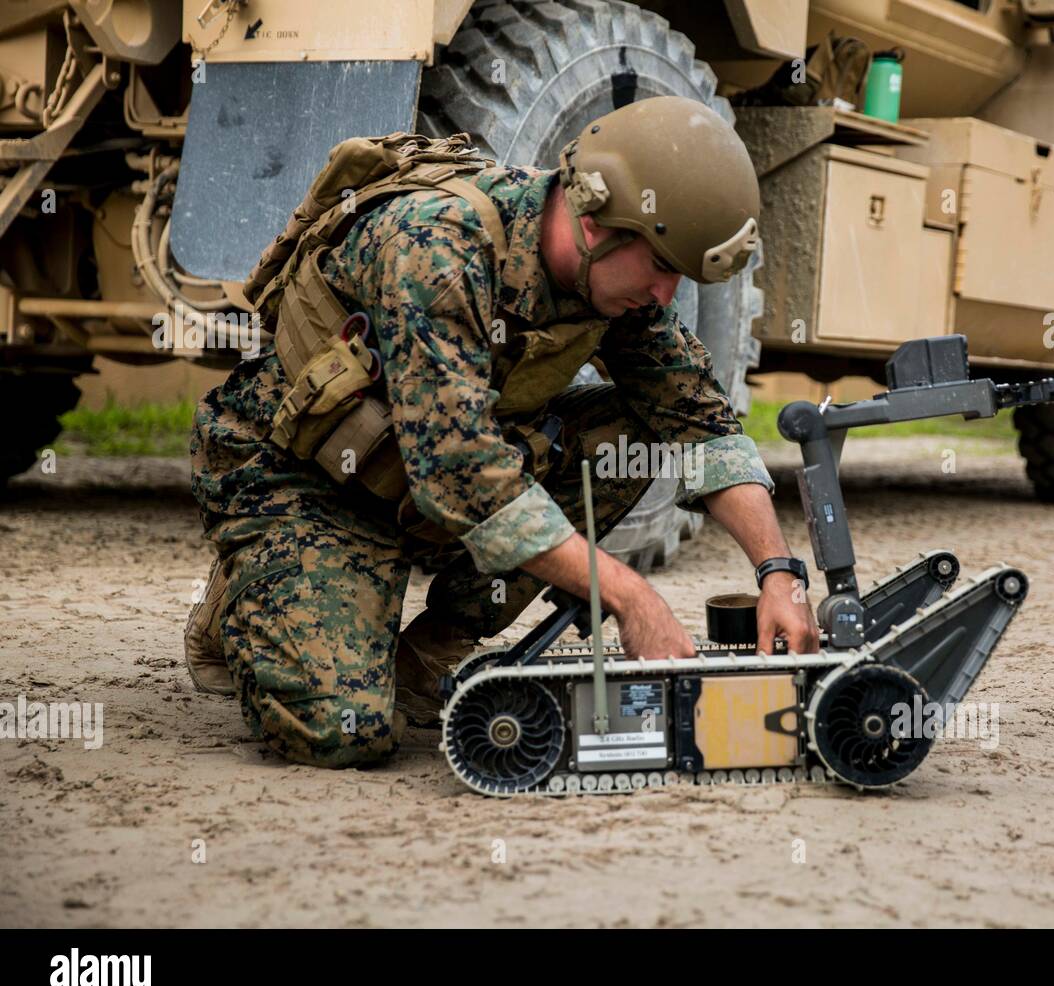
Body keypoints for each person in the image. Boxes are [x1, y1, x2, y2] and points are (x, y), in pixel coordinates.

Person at [184, 95, 819, 768]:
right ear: (599, 224)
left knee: (632, 431)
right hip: (308, 478)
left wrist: (779, 574)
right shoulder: (435, 243)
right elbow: (464, 475)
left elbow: (699, 420)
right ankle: (248, 585)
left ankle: (429, 651)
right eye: (663, 267)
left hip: (426, 477)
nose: (665, 294)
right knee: (341, 733)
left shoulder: (613, 283)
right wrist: (631, 596)